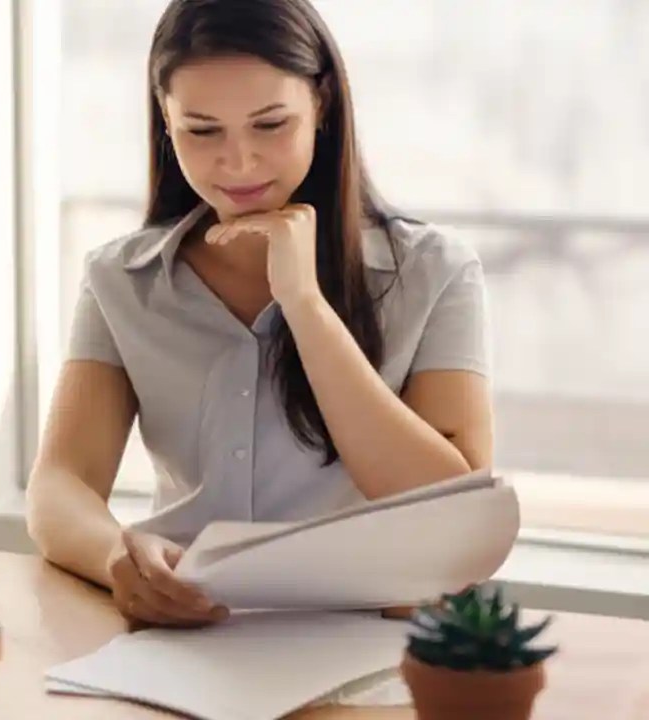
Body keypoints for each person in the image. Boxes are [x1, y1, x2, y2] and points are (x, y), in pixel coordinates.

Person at [25, 0, 493, 628]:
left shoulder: (436, 271)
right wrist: (121, 558)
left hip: (359, 642)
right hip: (180, 635)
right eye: (202, 129)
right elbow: (60, 485)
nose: (238, 162)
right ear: (165, 120)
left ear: (321, 104)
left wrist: (304, 304)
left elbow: (455, 517)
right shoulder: (121, 279)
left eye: (270, 124)